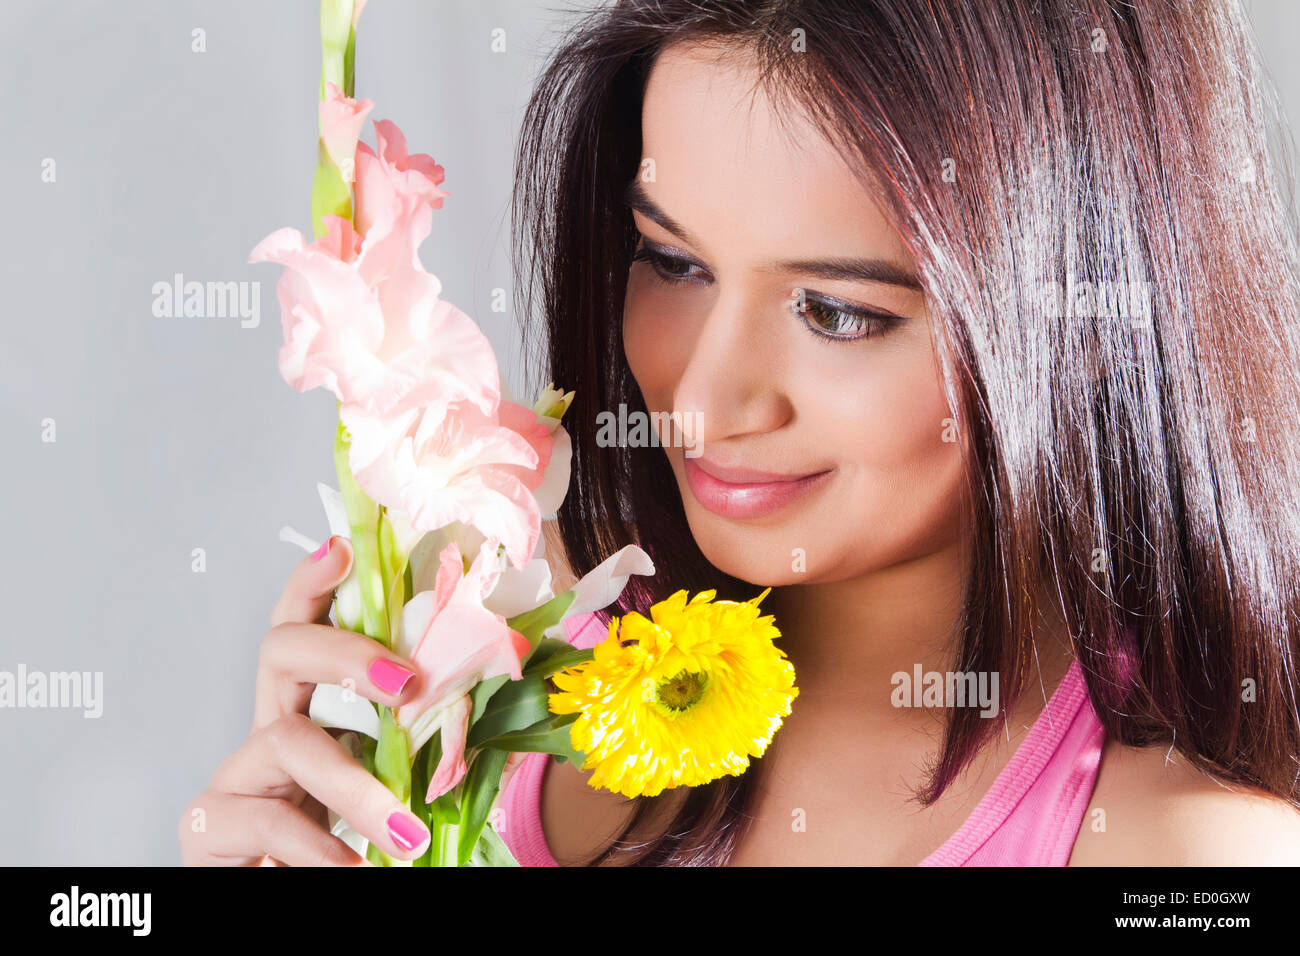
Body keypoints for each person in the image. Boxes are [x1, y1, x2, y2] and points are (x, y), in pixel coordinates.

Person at [181, 0, 1300, 866]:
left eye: (838, 311)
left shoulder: (1184, 852)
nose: (704, 401)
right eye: (672, 262)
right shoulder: (505, 648)